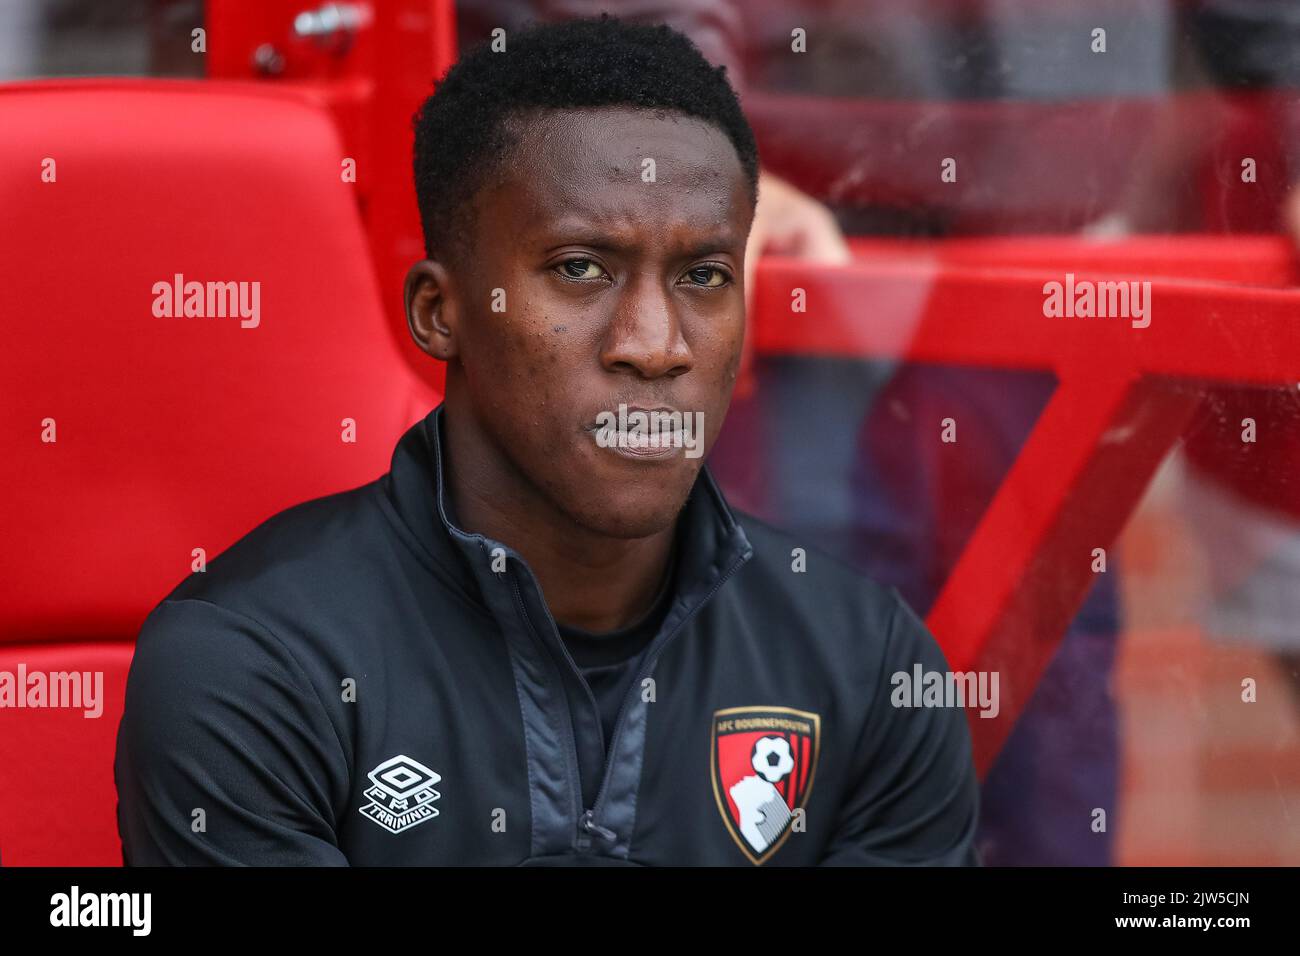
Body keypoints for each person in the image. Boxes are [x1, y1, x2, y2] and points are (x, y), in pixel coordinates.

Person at [113, 15, 980, 866]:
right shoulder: (250, 666)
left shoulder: (869, 666)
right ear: (440, 311)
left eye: (704, 276)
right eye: (580, 268)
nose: (655, 344)